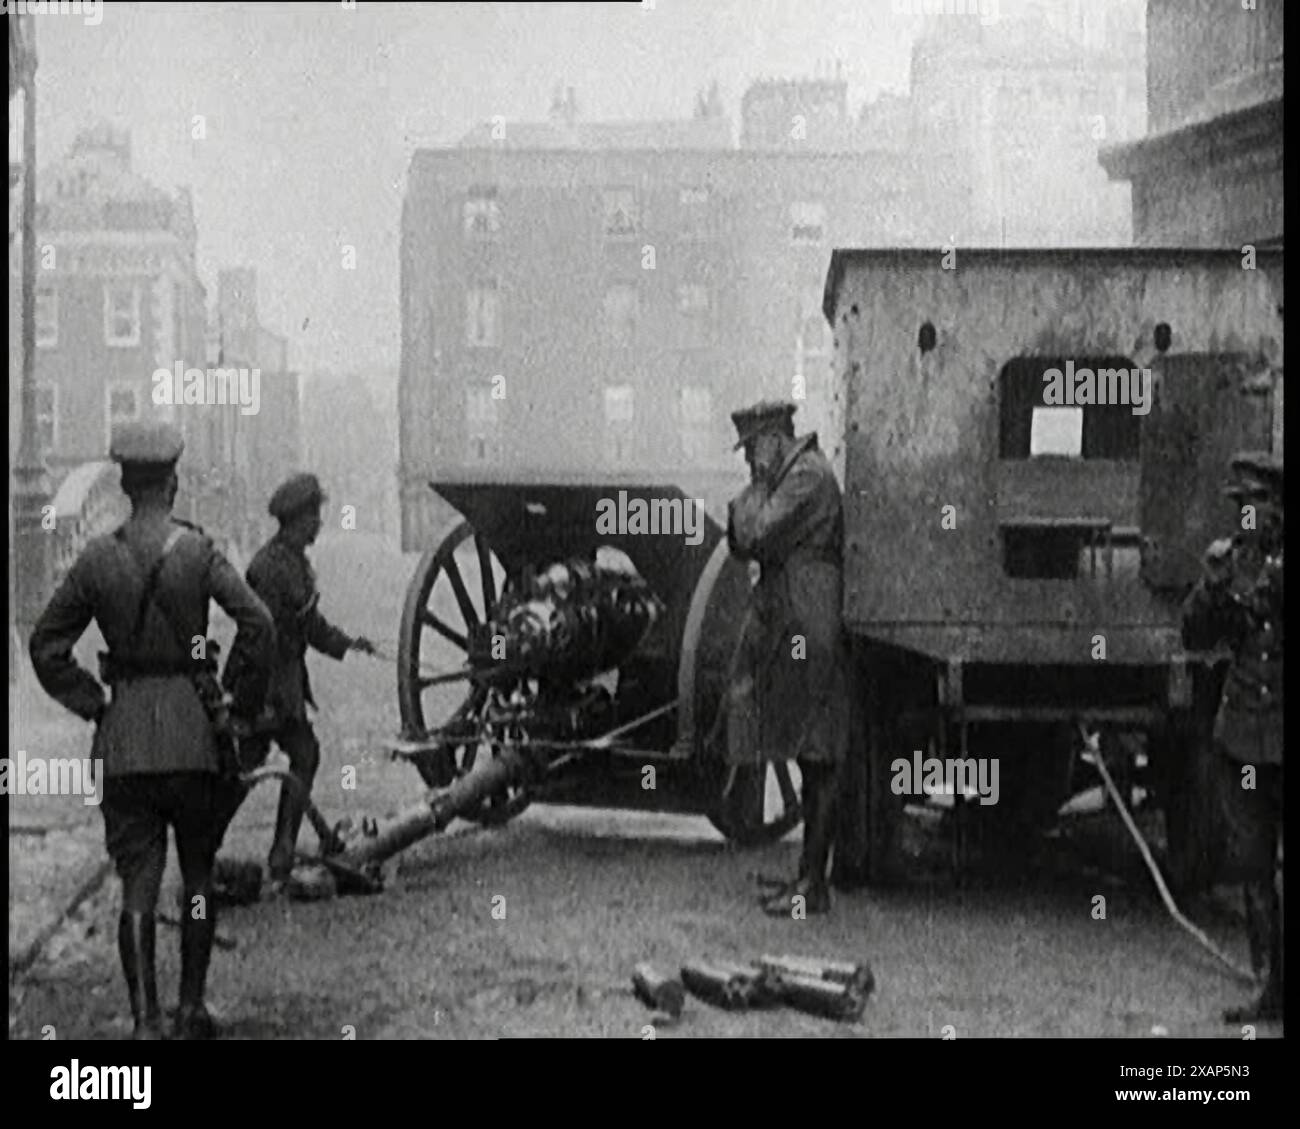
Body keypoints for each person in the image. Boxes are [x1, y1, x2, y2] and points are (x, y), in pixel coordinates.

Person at [29, 422, 274, 1039]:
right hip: (193, 737)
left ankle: (144, 1022)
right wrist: (238, 706)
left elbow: (45, 645)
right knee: (196, 875)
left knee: (137, 883)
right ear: (172, 481)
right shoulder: (198, 551)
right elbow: (259, 623)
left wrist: (95, 705)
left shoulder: (95, 559)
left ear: (124, 485)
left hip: (127, 739)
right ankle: (191, 1008)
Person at [217, 472, 375, 894]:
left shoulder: (293, 562)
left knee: (277, 759)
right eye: (314, 517)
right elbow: (260, 636)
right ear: (296, 520)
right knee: (259, 762)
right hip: (263, 682)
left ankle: (278, 851)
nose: (319, 524)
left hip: (279, 682)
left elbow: (310, 626)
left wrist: (347, 644)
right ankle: (264, 851)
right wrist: (253, 699)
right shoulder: (270, 568)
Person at [725, 400, 852, 916]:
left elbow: (752, 534)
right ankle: (806, 878)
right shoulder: (800, 473)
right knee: (809, 754)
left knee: (818, 756)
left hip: (809, 623)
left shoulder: (804, 478)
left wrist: (752, 493)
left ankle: (812, 888)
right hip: (800, 619)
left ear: (774, 439)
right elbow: (744, 540)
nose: (750, 462)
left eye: (753, 449)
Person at [1181, 451, 1283, 1024]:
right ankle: (1271, 988)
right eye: (1240, 508)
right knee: (1253, 866)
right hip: (1244, 740)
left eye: (1256, 507)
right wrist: (1212, 588)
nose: (1246, 518)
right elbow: (1195, 636)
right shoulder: (1235, 564)